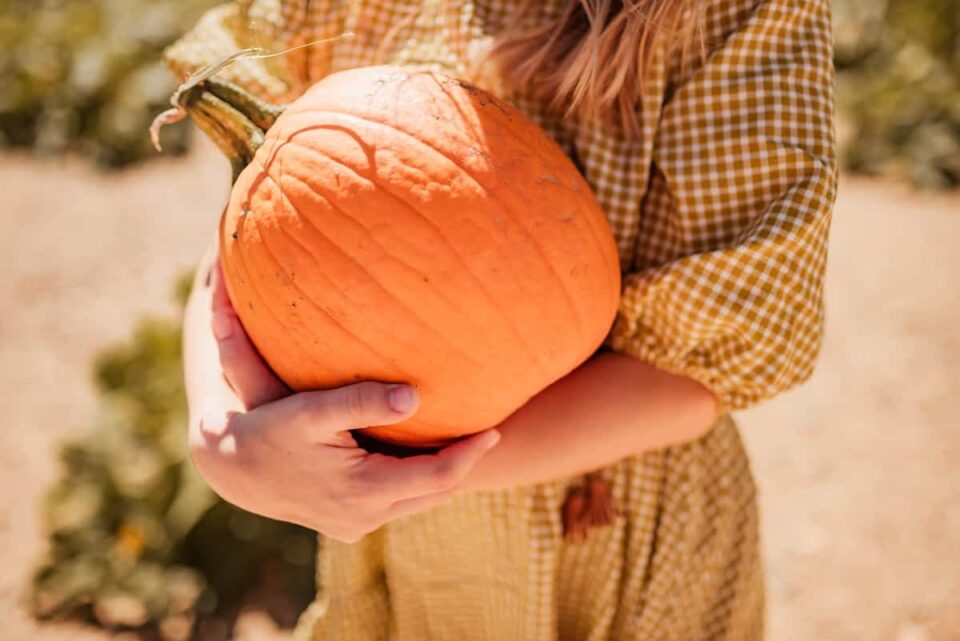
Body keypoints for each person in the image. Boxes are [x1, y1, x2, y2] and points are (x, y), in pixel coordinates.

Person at [171, 0, 837, 639]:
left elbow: (696, 373)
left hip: (618, 524)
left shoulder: (728, 10)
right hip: (404, 547)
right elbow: (265, 215)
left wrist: (392, 476)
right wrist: (221, 437)